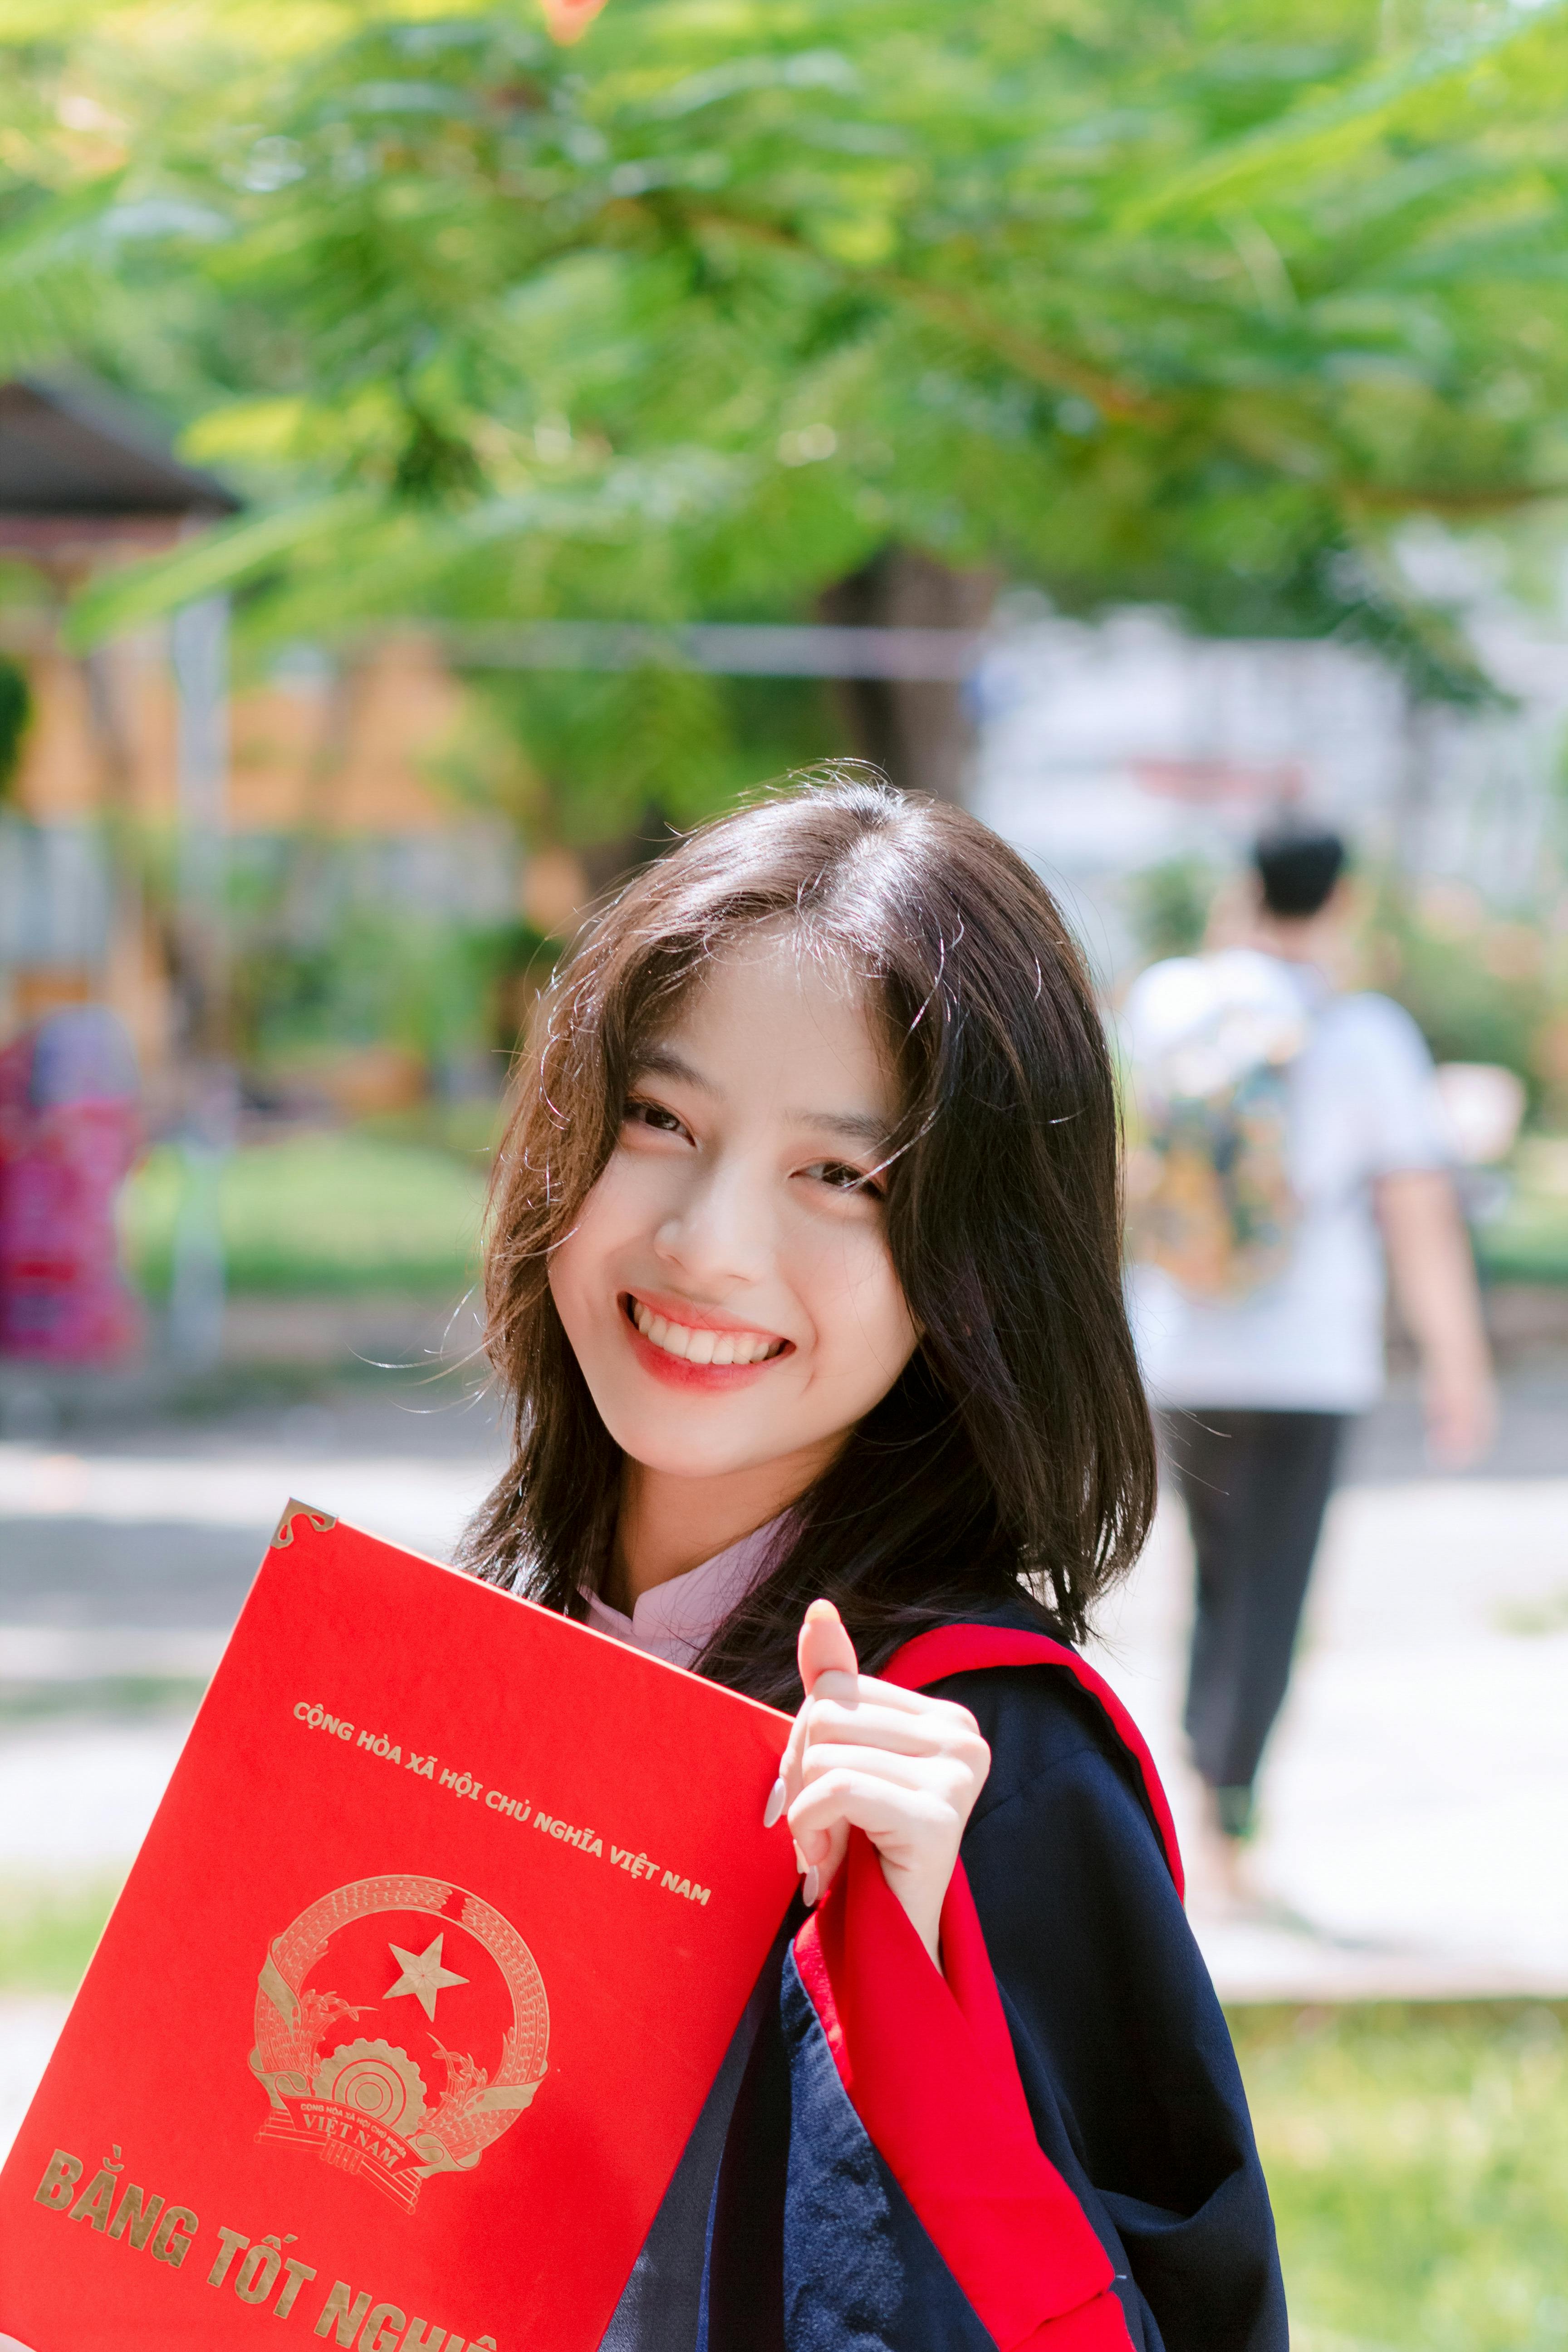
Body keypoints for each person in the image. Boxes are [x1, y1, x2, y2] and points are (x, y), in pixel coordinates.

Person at [462, 774, 1286, 2351]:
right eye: (658, 1118)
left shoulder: (986, 1774)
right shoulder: (475, 1681)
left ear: (978, 1264)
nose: (709, 1241)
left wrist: (913, 2006)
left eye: (839, 1176)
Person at [1123, 822, 1495, 1901]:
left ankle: (1198, 1772)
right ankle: (1229, 1805)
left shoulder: (1172, 1002)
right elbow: (1418, 1211)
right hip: (1311, 1361)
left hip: (1184, 1345)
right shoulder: (1366, 1032)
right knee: (1274, 1585)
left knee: (1215, 1571)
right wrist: (1455, 1364)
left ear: (1246, 890)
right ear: (1343, 901)